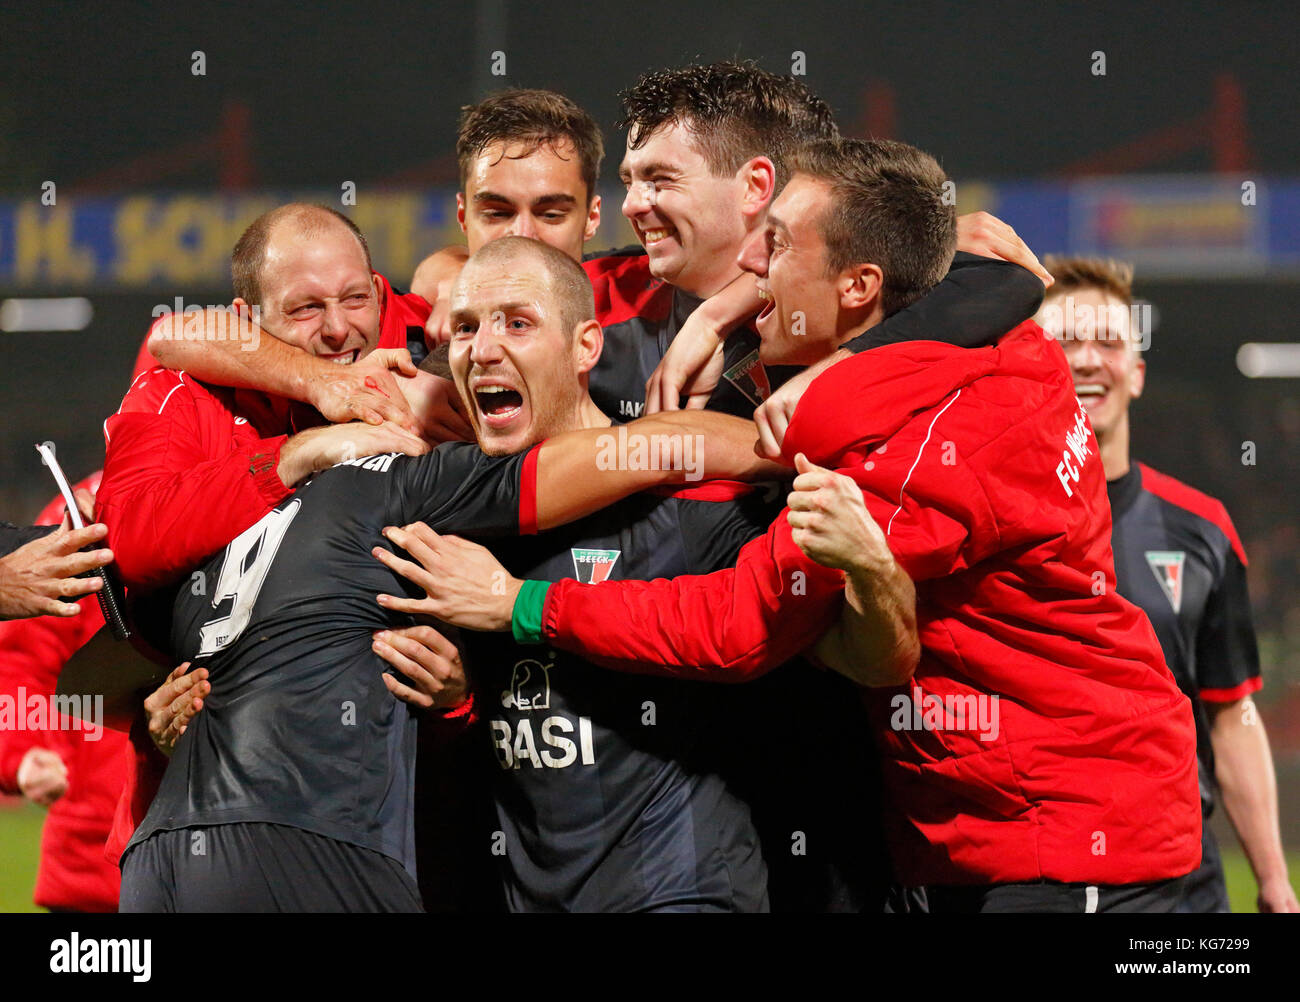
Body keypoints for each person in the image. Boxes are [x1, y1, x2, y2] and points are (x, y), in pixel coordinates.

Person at [392, 138, 1203, 912]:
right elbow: (982, 267)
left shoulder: (900, 461)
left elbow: (733, 628)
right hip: (1004, 823)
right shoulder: (1004, 341)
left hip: (1068, 828)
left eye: (773, 245)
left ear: (855, 287)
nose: (750, 266)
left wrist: (518, 605)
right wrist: (744, 330)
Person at [121, 237, 781, 911]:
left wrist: (522, 605)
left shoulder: (687, 506)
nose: (484, 347)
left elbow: (761, 634)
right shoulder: (424, 507)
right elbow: (176, 333)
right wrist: (454, 702)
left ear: (587, 346)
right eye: (463, 328)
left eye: (516, 324)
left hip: (677, 896)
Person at [1037, 254, 1299, 914]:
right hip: (1027, 878)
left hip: (1176, 886)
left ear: (1138, 373)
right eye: (1066, 341)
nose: (1089, 359)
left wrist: (1272, 878)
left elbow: (1231, 714)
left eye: (1108, 341)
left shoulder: (1203, 531)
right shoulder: (979, 525)